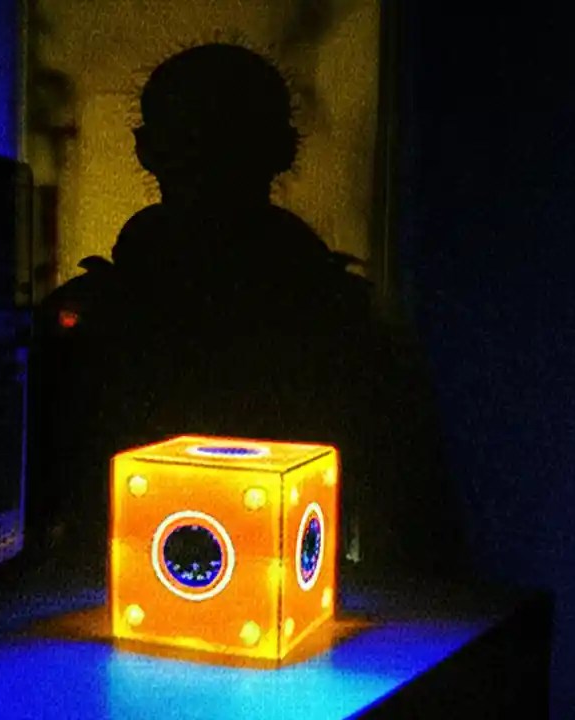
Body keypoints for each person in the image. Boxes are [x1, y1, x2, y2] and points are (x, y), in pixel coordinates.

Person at [30, 44, 467, 580]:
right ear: (284, 149)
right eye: (195, 135)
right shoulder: (352, 323)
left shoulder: (81, 321)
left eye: (222, 137)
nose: (209, 158)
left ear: (147, 150)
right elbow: (418, 543)